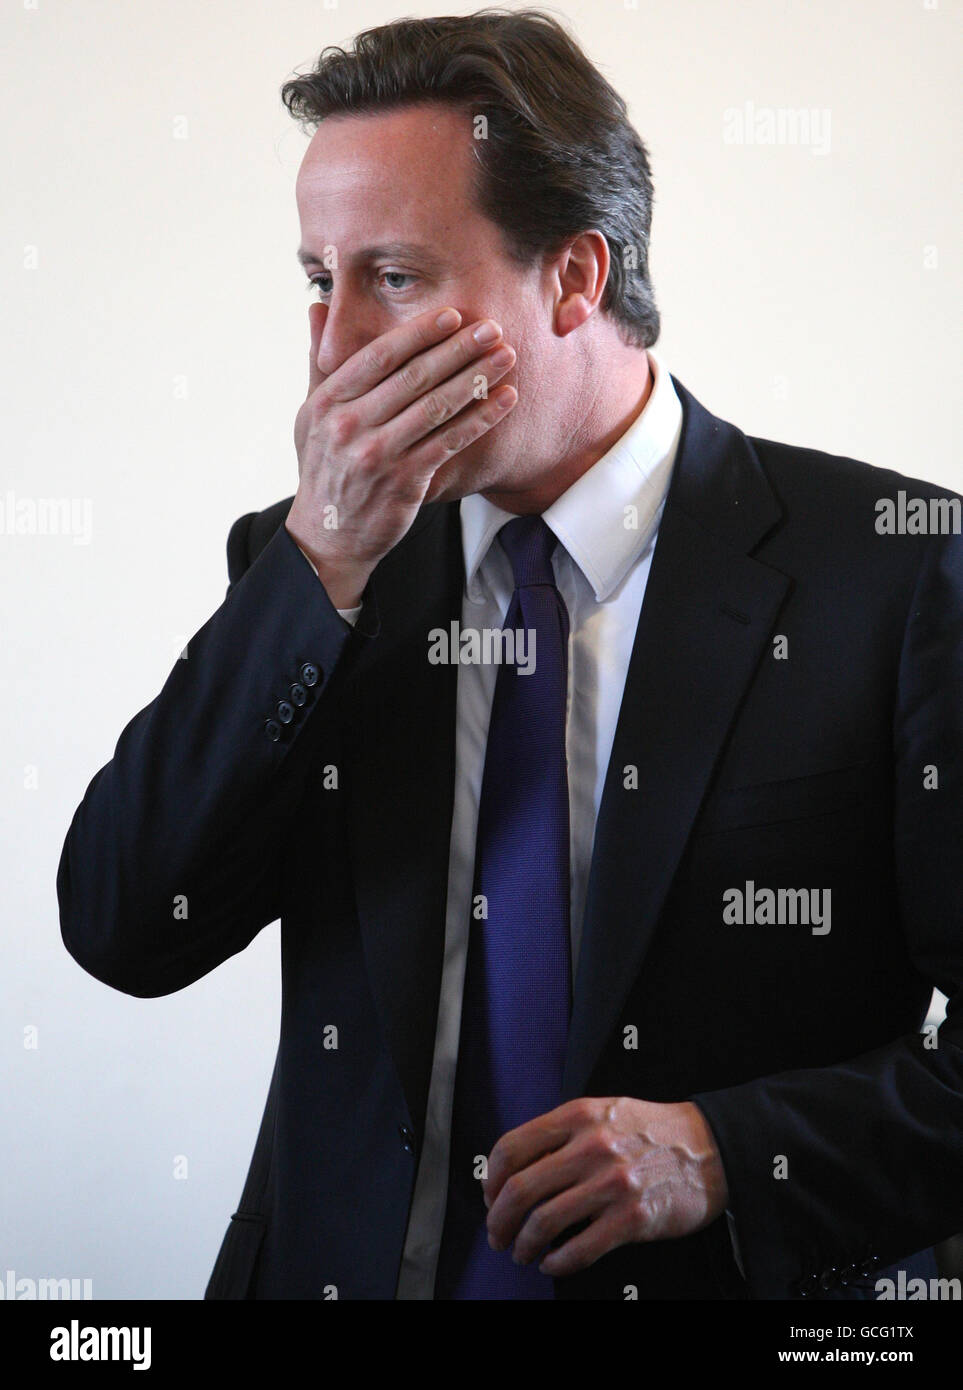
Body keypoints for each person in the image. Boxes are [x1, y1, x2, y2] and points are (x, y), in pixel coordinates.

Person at [58, 9, 963, 1300]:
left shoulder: (896, 567)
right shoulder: (315, 569)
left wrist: (724, 1151)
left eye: (396, 278)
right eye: (320, 280)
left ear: (576, 278)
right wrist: (317, 568)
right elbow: (124, 925)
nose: (332, 351)